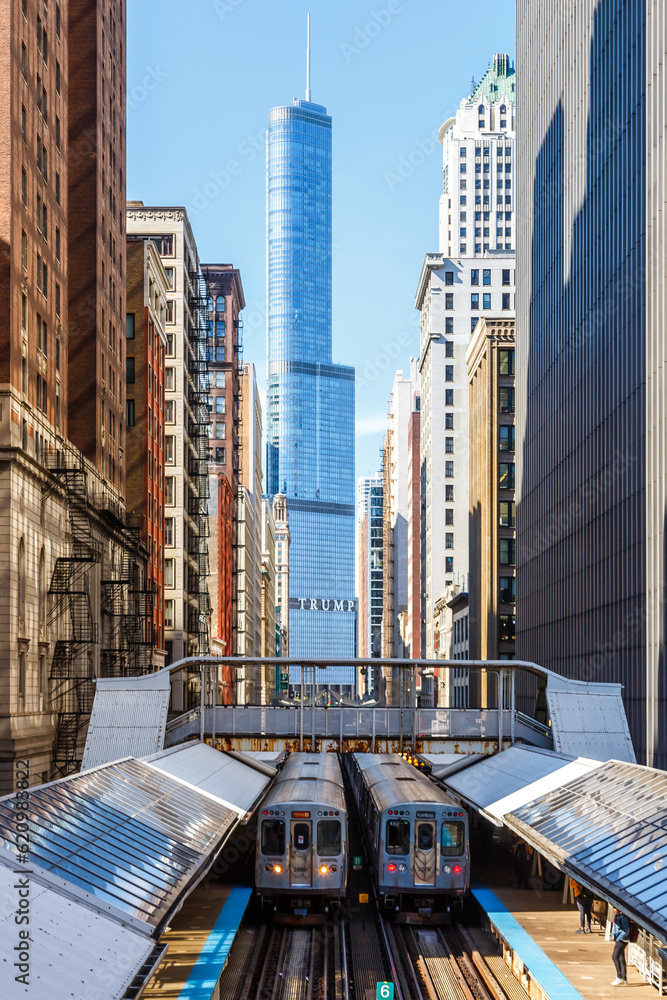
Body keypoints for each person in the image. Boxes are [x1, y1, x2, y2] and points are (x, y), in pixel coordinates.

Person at [610, 908, 630, 986]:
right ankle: (624, 978)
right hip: (621, 939)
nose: (613, 909)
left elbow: (626, 930)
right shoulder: (618, 916)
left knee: (614, 956)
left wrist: (619, 938)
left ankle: (619, 976)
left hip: (622, 940)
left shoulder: (622, 917)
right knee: (621, 957)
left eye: (614, 908)